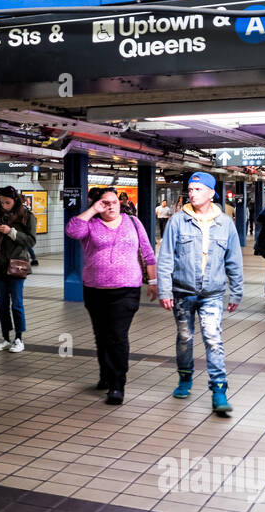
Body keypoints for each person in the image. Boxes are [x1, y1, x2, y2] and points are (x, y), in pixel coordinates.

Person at [157, 171, 243, 416]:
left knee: (213, 338)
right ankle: (185, 379)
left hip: (213, 293)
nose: (192, 193)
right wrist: (164, 289)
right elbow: (166, 259)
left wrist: (236, 292)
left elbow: (234, 260)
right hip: (182, 292)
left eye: (197, 189)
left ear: (211, 193)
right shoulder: (177, 221)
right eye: (191, 190)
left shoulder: (225, 223)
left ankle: (219, 390)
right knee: (185, 337)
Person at [65, 187, 159, 405]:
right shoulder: (90, 224)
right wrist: (91, 211)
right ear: (97, 205)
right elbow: (72, 231)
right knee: (102, 334)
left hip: (126, 289)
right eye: (105, 203)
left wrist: (153, 282)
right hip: (95, 289)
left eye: (114, 202)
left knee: (117, 336)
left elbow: (148, 252)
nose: (111, 206)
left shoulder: (133, 222)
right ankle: (105, 374)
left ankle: (117, 384)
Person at [0, 186, 37, 352]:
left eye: (7, 202)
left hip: (16, 265)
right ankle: (5, 337)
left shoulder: (27, 216)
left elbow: (30, 241)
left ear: (15, 200)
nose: (4, 205)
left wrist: (11, 232)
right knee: (2, 305)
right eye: (1, 202)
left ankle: (18, 339)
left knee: (16, 303)